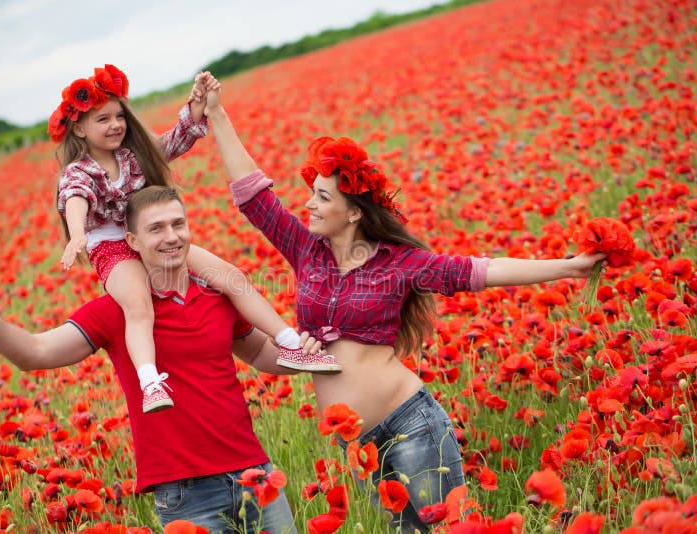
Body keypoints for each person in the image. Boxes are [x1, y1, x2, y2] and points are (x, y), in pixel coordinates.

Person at [203, 86, 605, 531]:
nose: (308, 204)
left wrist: (565, 269)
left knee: (452, 528)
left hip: (409, 422)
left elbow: (478, 272)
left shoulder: (400, 263)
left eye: (321, 197)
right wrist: (217, 114)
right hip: (354, 442)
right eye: (311, 194)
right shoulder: (305, 250)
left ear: (353, 212)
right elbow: (254, 200)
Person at [0, 186, 312, 533]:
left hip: (255, 473)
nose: (172, 236)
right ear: (132, 240)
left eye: (178, 224)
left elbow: (261, 352)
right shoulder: (115, 312)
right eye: (156, 228)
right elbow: (35, 354)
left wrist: (311, 357)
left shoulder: (217, 296)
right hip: (185, 494)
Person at [49, 65, 339, 413]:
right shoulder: (78, 171)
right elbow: (76, 198)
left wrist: (198, 103)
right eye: (103, 120)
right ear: (78, 128)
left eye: (119, 117)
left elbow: (172, 142)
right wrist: (78, 234)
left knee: (231, 277)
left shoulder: (131, 157)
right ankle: (151, 383)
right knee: (138, 306)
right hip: (111, 247)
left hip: (152, 236)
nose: (115, 125)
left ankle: (290, 343)